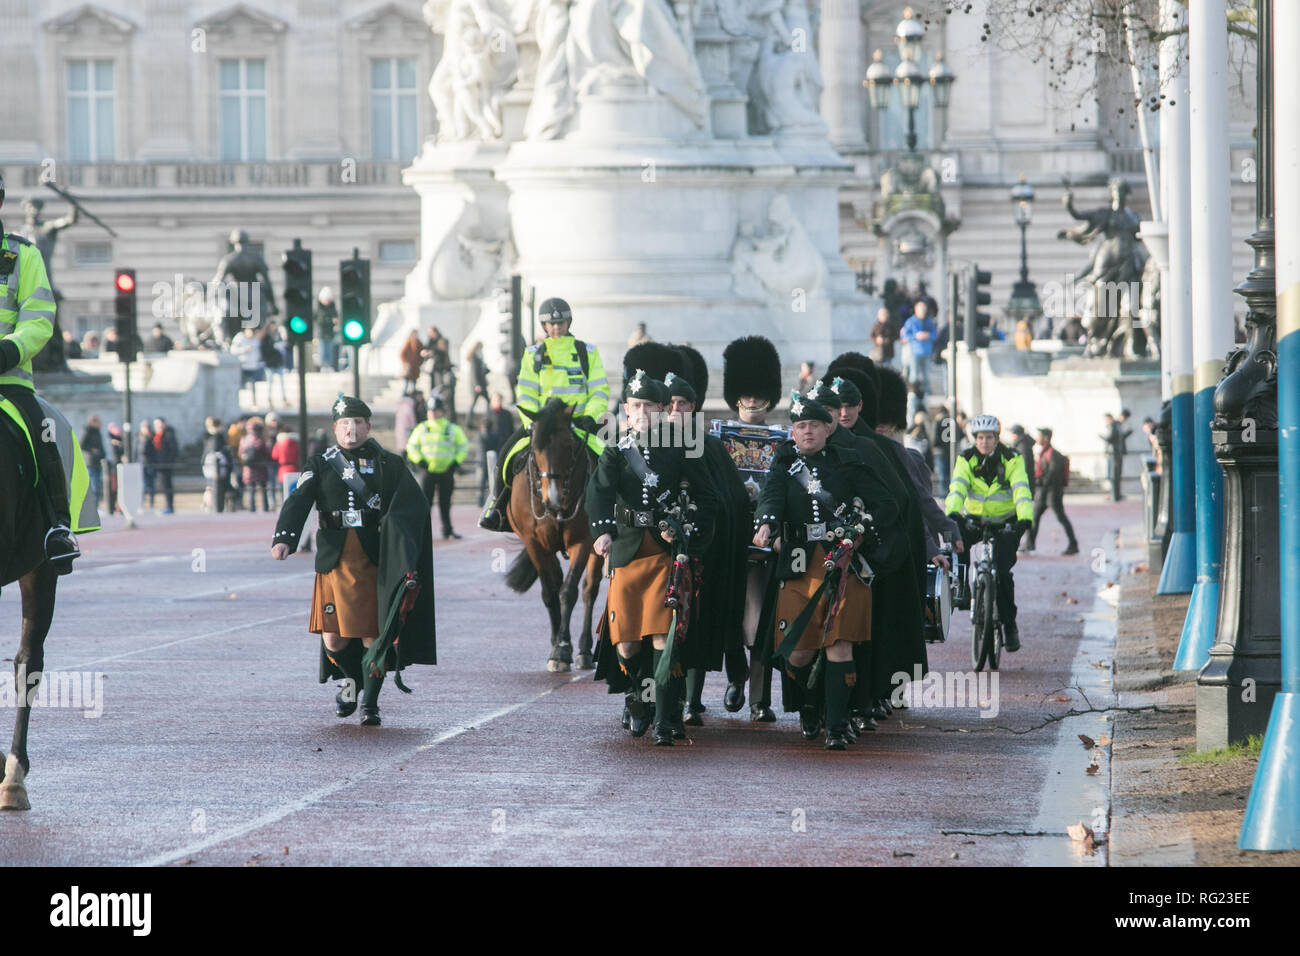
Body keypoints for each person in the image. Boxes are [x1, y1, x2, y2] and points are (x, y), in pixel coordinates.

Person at [271, 395, 437, 727]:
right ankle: (350, 682)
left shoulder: (389, 463)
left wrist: (404, 549)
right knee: (334, 639)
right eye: (345, 423)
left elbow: (413, 507)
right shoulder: (320, 463)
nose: (352, 429)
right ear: (336, 428)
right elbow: (299, 499)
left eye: (358, 423)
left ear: (368, 426)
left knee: (372, 638)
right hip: (334, 561)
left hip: (375, 562)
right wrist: (284, 537)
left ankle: (370, 705)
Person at [752, 393, 905, 750]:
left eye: (814, 426)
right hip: (799, 564)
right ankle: (810, 702)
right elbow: (770, 498)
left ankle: (836, 725)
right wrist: (766, 524)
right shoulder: (783, 464)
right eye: (801, 426)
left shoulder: (849, 462)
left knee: (840, 646)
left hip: (844, 562)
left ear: (827, 428)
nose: (807, 432)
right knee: (797, 652)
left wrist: (864, 529)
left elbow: (887, 504)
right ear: (793, 432)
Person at [589, 370, 716, 746]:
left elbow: (707, 498)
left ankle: (664, 718)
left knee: (663, 636)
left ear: (661, 410)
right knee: (627, 644)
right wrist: (602, 531)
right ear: (626, 410)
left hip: (665, 553)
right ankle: (636, 695)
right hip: (627, 551)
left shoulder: (680, 446)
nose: (641, 412)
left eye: (649, 406)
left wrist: (683, 528)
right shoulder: (616, 446)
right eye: (635, 406)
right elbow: (598, 490)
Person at [0, 172, 79, 570]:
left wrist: (9, 350)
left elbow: (39, 317)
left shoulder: (21, 254)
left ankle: (56, 529)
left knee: (45, 431)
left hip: (7, 379)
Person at [479, 297, 609, 531]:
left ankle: (613, 512)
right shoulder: (533, 354)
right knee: (506, 456)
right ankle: (495, 507)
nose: (557, 328)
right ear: (544, 327)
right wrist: (533, 423)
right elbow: (526, 392)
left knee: (608, 460)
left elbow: (599, 389)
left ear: (569, 323)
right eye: (551, 324)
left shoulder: (587, 352)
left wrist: (591, 416)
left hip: (579, 423)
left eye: (561, 323)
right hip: (542, 425)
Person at [719, 334, 786, 720]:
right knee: (730, 613)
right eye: (746, 395)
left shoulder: (783, 439)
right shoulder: (718, 436)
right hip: (729, 535)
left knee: (761, 620)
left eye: (760, 396)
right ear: (737, 397)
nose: (753, 402)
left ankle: (760, 700)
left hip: (767, 538)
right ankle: (736, 677)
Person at [944, 414, 1034, 652]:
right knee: (957, 537)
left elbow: (1021, 489)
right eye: (980, 437)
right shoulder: (965, 459)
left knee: (1002, 573)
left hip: (1006, 522)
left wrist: (1025, 518)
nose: (984, 442)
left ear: (997, 438)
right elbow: (957, 487)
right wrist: (952, 513)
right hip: (976, 519)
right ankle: (962, 588)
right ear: (974, 439)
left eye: (989, 437)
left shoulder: (1012, 458)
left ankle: (1009, 625)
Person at [405, 395, 470, 540]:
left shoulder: (451, 428)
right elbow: (411, 446)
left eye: (436, 410)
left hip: (447, 472)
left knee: (445, 503)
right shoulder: (422, 428)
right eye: (431, 410)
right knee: (424, 504)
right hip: (427, 472)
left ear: (442, 412)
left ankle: (448, 530)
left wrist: (456, 462)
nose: (433, 413)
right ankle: (423, 531)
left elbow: (463, 445)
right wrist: (419, 461)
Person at [1027, 427, 1079, 555]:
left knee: (1061, 517)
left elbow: (1052, 474)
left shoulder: (1053, 454)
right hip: (1044, 493)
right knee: (1034, 517)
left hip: (1052, 494)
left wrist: (1041, 484)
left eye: (1039, 436)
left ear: (1045, 437)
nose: (1037, 438)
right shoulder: (1044, 453)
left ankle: (1073, 544)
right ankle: (1030, 544)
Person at [479, 392, 514, 508]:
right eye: (496, 399)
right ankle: (481, 497)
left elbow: (511, 430)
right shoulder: (488, 414)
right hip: (492, 449)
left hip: (504, 447)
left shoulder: (507, 414)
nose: (498, 401)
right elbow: (484, 432)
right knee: (486, 475)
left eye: (499, 399)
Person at [1008, 424, 1037, 549]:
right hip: (1024, 486)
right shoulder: (1022, 445)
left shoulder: (1022, 446)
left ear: (1016, 434)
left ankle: (1025, 543)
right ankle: (1026, 543)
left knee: (1023, 515)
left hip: (1023, 487)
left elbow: (1023, 468)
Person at [900, 300, 937, 392]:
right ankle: (913, 393)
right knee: (914, 375)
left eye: (924, 309)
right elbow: (905, 336)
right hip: (914, 352)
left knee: (926, 375)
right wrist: (916, 336)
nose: (923, 311)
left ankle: (926, 395)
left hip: (927, 352)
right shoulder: (910, 321)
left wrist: (928, 335)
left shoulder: (929, 322)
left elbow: (935, 335)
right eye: (921, 309)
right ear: (916, 309)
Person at [239, 417, 272, 512]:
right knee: (263, 488)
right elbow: (266, 452)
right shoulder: (260, 440)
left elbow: (240, 453)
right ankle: (265, 508)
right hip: (260, 466)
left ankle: (252, 508)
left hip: (248, 468)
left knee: (251, 489)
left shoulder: (244, 439)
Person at [202, 416, 233, 513]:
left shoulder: (208, 438)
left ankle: (210, 505)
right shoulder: (217, 438)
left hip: (211, 466)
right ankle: (213, 505)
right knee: (214, 487)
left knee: (210, 487)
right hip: (217, 467)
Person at [230, 325, 265, 404]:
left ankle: (254, 401)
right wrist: (244, 350)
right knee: (240, 385)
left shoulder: (255, 340)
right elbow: (233, 350)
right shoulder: (240, 338)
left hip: (252, 366)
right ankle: (236, 401)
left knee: (253, 385)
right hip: (242, 366)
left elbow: (257, 352)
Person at [1100, 412, 1130, 501]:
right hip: (1116, 453)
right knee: (1115, 475)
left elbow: (1110, 438)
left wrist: (1101, 436)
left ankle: (1115, 495)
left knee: (1114, 475)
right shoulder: (1117, 426)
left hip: (1113, 453)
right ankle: (1115, 495)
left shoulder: (1114, 426)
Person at [151, 417, 178, 514]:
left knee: (167, 485)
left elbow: (173, 449)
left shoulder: (168, 434)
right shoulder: (156, 435)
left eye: (159, 424)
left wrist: (168, 461)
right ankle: (167, 505)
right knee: (163, 485)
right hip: (158, 464)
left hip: (166, 464)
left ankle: (169, 506)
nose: (157, 426)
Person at [81, 414, 106, 505]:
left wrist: (103, 454)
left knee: (97, 485)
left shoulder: (97, 431)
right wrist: (93, 451)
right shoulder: (88, 431)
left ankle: (96, 505)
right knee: (93, 485)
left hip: (98, 461)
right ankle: (93, 506)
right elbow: (82, 445)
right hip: (91, 461)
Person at [464, 341, 489, 428]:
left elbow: (481, 371)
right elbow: (474, 373)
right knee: (475, 403)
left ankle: (486, 419)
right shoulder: (475, 358)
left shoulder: (479, 357)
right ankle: (469, 421)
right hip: (478, 385)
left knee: (487, 402)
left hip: (481, 384)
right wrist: (477, 385)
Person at [315, 287, 339, 371]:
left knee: (329, 350)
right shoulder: (319, 309)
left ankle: (329, 365)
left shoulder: (332, 308)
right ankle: (322, 365)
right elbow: (318, 320)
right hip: (322, 333)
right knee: (322, 350)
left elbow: (336, 318)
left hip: (330, 333)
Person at [136, 421, 157, 509]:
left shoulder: (151, 438)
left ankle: (151, 504)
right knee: (142, 485)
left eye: (147, 427)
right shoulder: (139, 438)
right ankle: (142, 503)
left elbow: (150, 451)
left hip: (149, 464)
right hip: (141, 464)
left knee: (150, 484)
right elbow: (137, 452)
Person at [400, 329, 424, 397]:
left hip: (415, 369)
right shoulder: (408, 343)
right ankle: (402, 402)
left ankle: (413, 402)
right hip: (409, 368)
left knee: (413, 387)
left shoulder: (419, 343)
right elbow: (402, 354)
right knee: (406, 386)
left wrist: (419, 363)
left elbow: (421, 355)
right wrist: (406, 363)